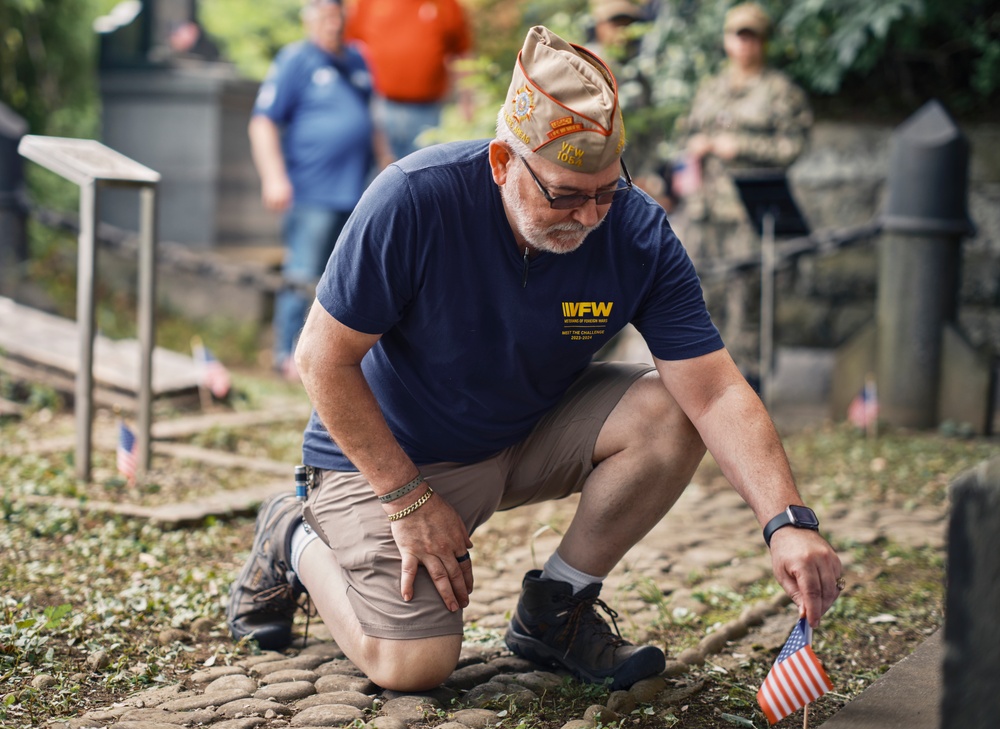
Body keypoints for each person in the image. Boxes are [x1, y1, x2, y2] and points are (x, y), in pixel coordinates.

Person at [227, 25, 842, 693]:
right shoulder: (415, 198)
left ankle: (557, 607)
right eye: (565, 195)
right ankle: (291, 533)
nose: (591, 216)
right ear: (502, 161)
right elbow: (321, 359)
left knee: (673, 410)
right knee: (415, 665)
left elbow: (717, 392)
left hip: (521, 433)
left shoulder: (636, 231)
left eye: (606, 191)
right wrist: (405, 498)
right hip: (386, 460)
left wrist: (787, 523)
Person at [248, 0, 391, 380]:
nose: (332, 23)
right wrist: (273, 176)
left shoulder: (358, 59)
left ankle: (334, 358)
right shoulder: (295, 60)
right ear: (308, 19)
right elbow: (262, 122)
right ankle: (287, 355)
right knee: (302, 272)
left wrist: (388, 165)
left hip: (357, 192)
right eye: (325, 16)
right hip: (311, 191)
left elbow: (372, 121)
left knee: (347, 278)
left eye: (337, 15)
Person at [673, 2, 813, 384]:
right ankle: (703, 383)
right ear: (726, 40)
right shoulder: (711, 88)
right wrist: (696, 146)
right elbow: (687, 135)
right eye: (738, 35)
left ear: (763, 42)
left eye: (752, 37)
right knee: (701, 295)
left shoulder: (779, 91)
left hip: (747, 213)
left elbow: (793, 146)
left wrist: (742, 147)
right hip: (705, 211)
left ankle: (749, 383)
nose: (744, 44)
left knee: (748, 299)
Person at [344, 0, 472, 159]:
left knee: (425, 166)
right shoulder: (367, 4)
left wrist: (466, 101)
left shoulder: (445, 4)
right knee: (381, 169)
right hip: (380, 107)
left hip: (427, 110)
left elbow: (461, 53)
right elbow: (348, 48)